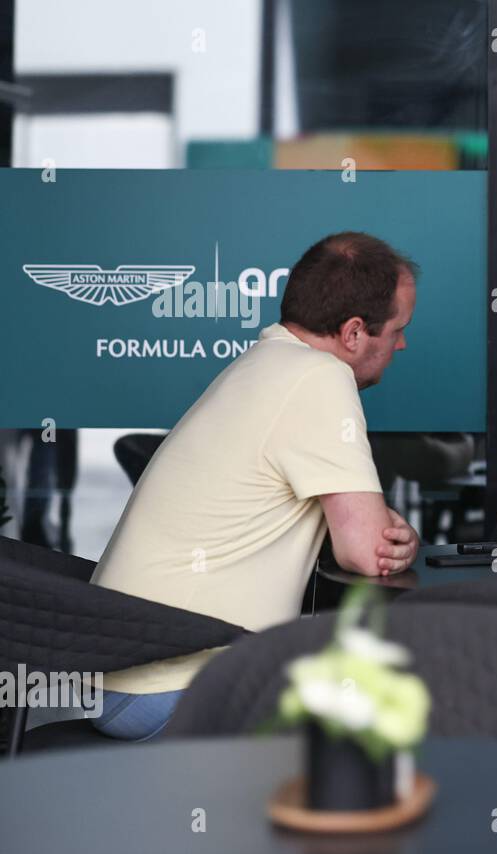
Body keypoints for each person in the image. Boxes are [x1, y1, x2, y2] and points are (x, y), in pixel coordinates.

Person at [89, 232, 422, 740]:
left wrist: (372, 528)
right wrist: (393, 537)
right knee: (399, 704)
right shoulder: (318, 378)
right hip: (169, 687)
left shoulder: (267, 362)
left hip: (129, 676)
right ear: (354, 332)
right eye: (398, 329)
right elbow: (366, 552)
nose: (402, 344)